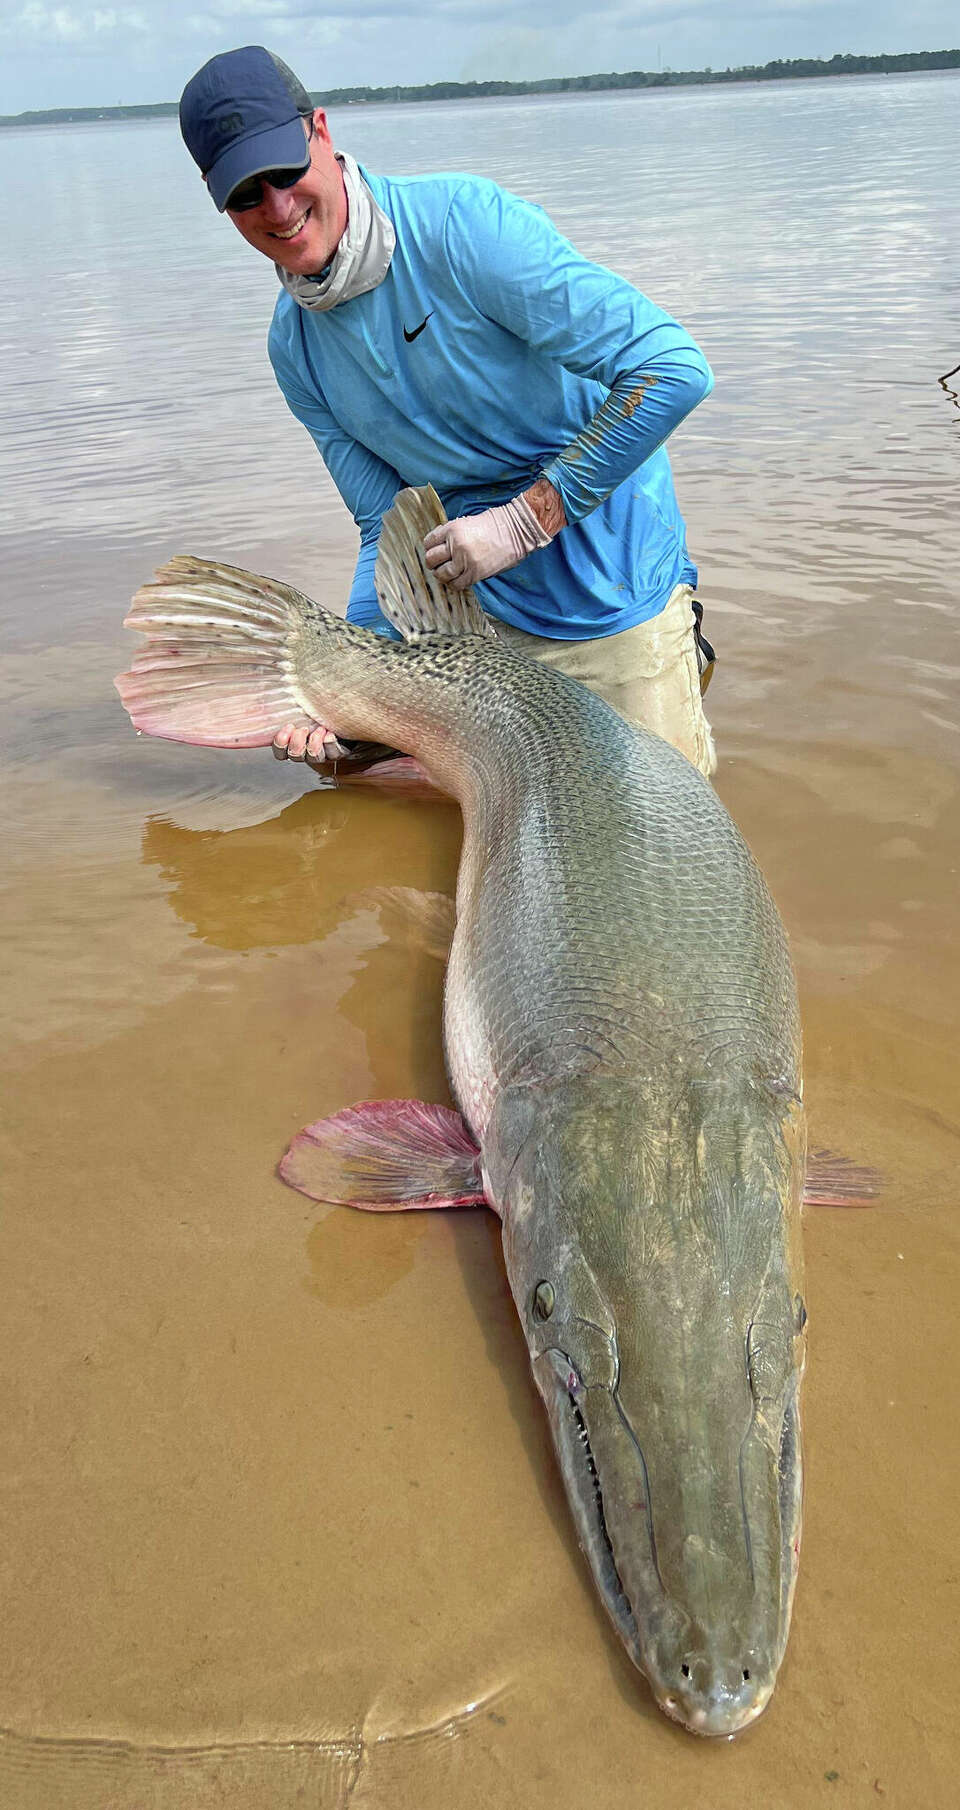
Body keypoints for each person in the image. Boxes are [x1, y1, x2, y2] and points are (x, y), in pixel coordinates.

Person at [179, 45, 718, 777]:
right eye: (246, 194)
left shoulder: (467, 230)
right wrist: (348, 689)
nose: (278, 208)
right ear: (219, 201)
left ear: (323, 133)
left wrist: (528, 520)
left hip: (614, 592)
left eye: (284, 171)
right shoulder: (294, 349)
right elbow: (386, 523)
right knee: (395, 807)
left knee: (662, 845)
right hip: (474, 630)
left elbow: (672, 368)